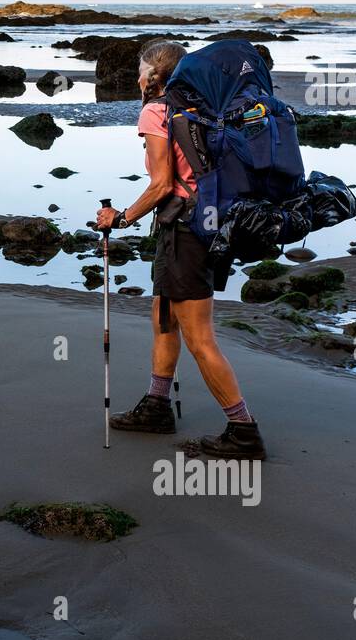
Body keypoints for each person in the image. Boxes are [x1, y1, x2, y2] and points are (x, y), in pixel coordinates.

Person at [94, 40, 265, 460]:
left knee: (200, 338)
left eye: (139, 69)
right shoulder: (203, 105)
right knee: (163, 318)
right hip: (205, 222)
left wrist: (120, 219)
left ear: (153, 74)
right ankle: (156, 406)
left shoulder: (157, 111)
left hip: (186, 230)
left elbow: (161, 185)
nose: (136, 76)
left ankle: (243, 430)